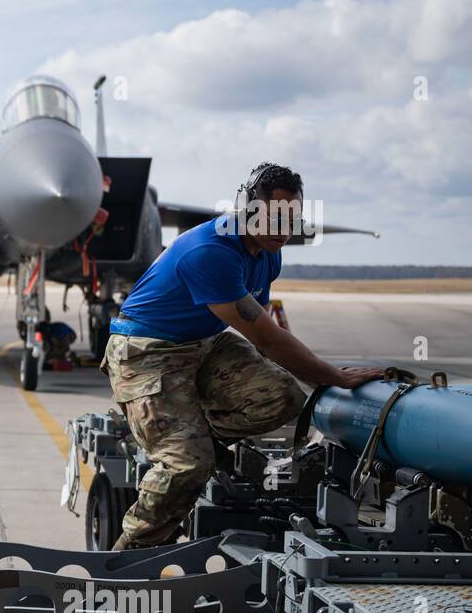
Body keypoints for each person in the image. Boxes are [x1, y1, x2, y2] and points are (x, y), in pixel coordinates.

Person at [102, 163, 384, 550]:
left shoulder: (269, 254)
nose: (283, 230)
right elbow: (270, 341)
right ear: (246, 208)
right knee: (188, 465)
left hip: (203, 342)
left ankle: (192, 440)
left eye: (292, 218)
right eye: (273, 217)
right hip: (146, 352)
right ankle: (129, 557)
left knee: (282, 397)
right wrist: (334, 377)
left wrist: (316, 377)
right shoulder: (210, 252)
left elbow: (263, 330)